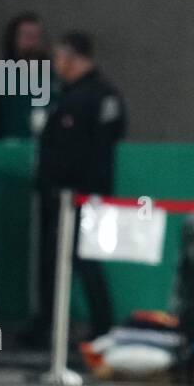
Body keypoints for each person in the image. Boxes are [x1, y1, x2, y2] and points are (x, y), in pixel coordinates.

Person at [36, 31, 127, 341]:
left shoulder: (87, 98)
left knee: (82, 262)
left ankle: (96, 328)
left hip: (76, 195)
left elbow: (82, 149)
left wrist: (69, 186)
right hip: (78, 194)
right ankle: (59, 325)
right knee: (70, 263)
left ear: (70, 57)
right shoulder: (91, 95)